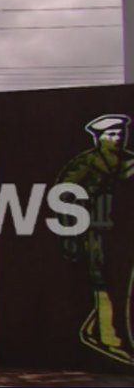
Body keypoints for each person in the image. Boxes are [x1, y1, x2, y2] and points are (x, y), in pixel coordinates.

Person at [57, 113, 134, 363]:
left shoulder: (130, 162)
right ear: (98, 138)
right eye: (111, 134)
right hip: (98, 232)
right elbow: (62, 195)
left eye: (121, 134)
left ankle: (104, 330)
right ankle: (111, 337)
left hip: (125, 233)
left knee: (123, 284)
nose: (118, 139)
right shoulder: (86, 163)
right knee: (105, 281)